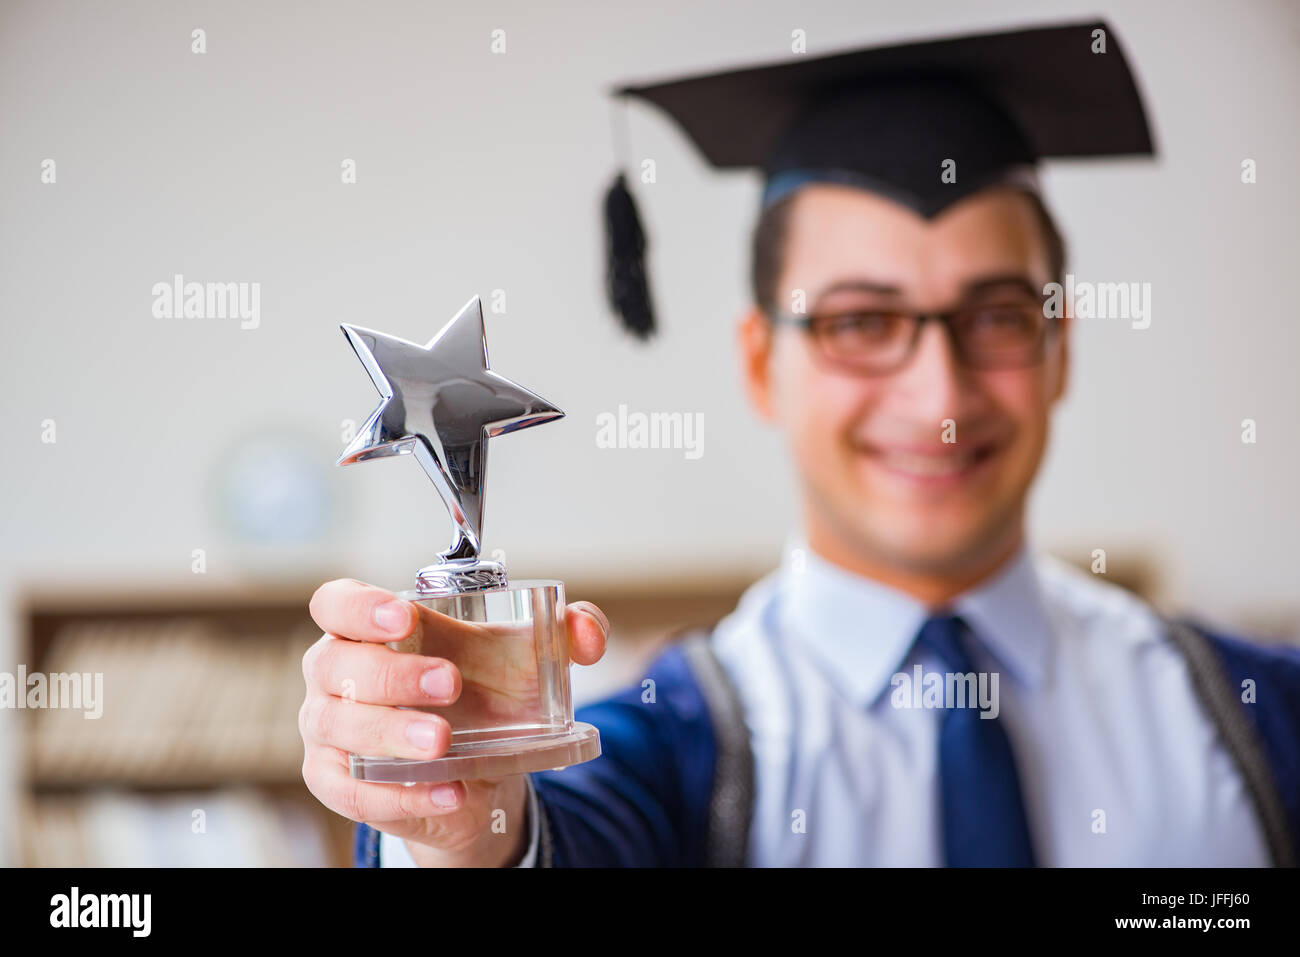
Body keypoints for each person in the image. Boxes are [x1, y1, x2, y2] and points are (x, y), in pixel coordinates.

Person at [300, 20, 1300, 867]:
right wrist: (460, 823)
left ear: (1058, 346)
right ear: (758, 362)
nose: (936, 390)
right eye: (860, 322)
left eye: (994, 315)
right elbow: (549, 837)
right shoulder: (676, 747)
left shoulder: (1258, 716)